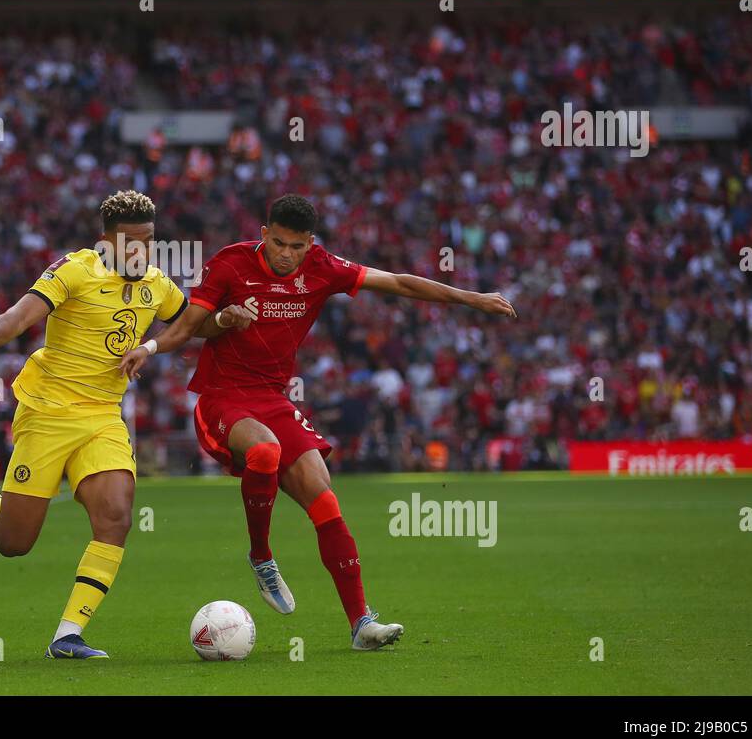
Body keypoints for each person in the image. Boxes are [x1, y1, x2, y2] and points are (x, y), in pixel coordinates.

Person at [120, 194, 517, 651]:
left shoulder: (324, 267)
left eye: (297, 246)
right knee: (265, 451)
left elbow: (400, 284)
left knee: (326, 501)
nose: (286, 254)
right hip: (222, 399)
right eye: (279, 243)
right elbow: (188, 325)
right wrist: (150, 349)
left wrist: (471, 298)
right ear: (265, 234)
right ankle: (261, 556)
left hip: (272, 399)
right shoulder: (230, 264)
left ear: (310, 244)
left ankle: (361, 623)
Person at [0, 190, 251, 659]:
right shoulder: (75, 270)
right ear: (106, 240)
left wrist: (224, 320)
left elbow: (189, 324)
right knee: (13, 542)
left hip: (103, 416)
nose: (140, 251)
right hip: (48, 413)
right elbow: (18, 316)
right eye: (131, 242)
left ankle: (67, 635)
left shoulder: (156, 283)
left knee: (115, 517)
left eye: (148, 241)